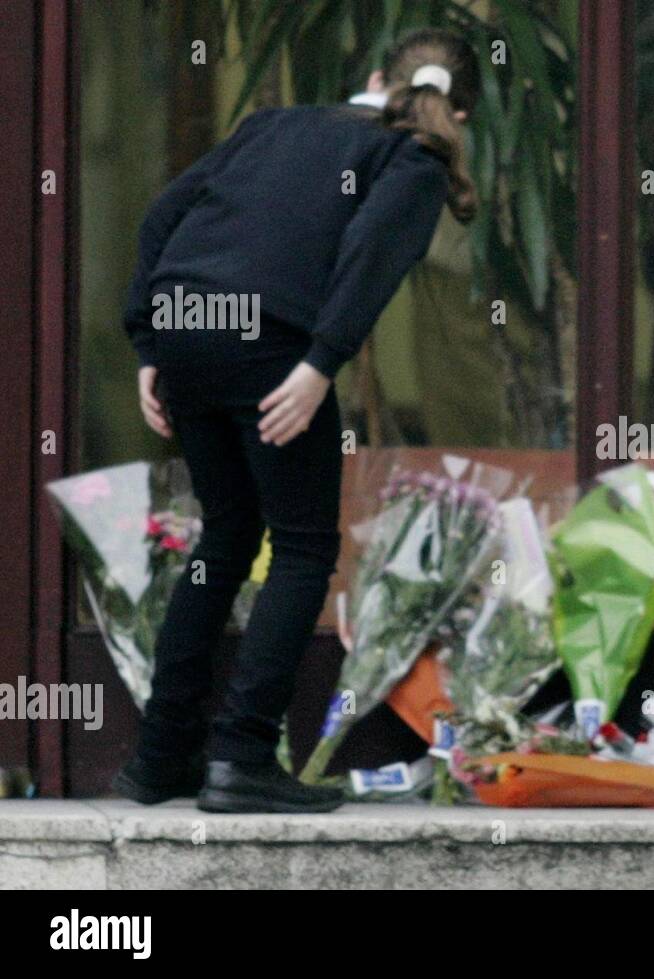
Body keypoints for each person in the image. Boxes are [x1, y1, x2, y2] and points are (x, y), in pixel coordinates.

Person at [112, 28, 479, 813]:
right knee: (305, 546)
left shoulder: (273, 124)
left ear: (377, 76)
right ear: (464, 114)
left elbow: (164, 215)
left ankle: (158, 758)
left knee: (227, 534)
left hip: (189, 324)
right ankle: (241, 756)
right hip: (271, 345)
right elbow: (369, 260)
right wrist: (317, 365)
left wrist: (152, 342)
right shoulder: (412, 160)